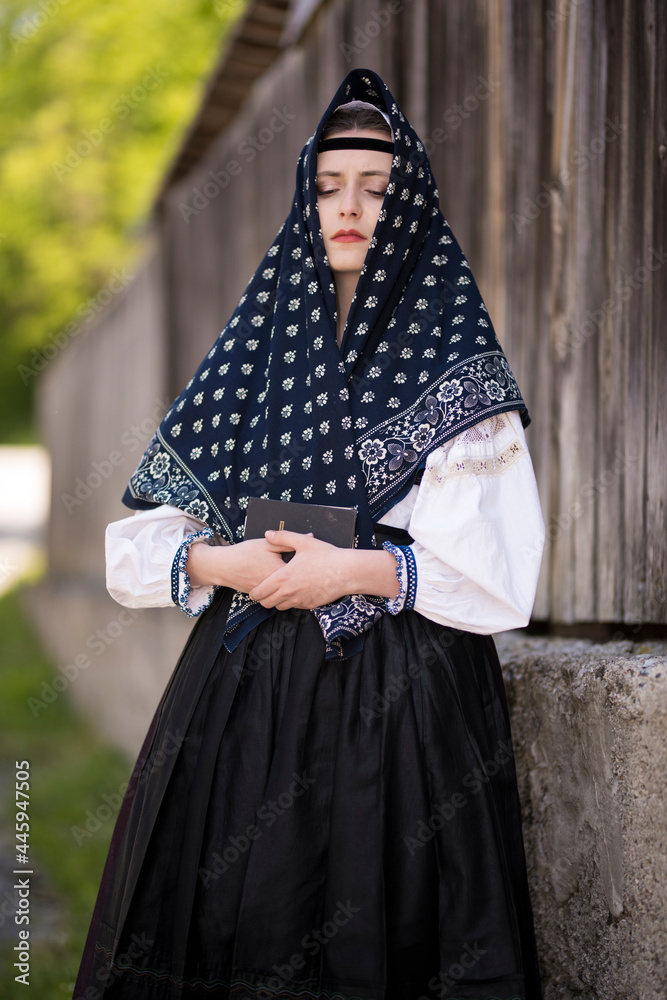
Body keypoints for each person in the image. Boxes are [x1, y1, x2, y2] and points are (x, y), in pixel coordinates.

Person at [73, 68, 545, 1000]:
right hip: (243, 698)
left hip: (402, 701)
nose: (350, 208)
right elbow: (137, 549)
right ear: (305, 198)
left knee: (392, 930)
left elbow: (496, 573)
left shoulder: (451, 355)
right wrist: (225, 560)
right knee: (238, 920)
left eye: (375, 188)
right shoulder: (255, 349)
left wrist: (348, 573)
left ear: (409, 202)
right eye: (329, 187)